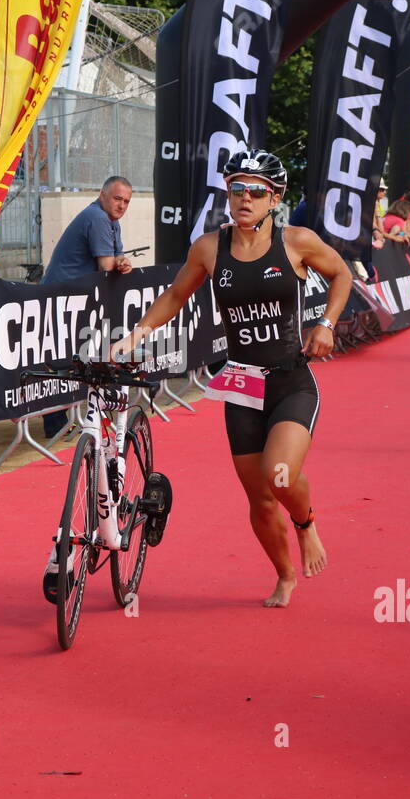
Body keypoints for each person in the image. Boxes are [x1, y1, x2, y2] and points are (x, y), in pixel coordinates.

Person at [110, 149, 353, 610]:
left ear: (274, 198)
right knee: (259, 499)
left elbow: (341, 273)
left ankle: (306, 524)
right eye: (236, 188)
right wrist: (135, 335)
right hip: (242, 383)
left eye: (255, 191)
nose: (244, 198)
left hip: (290, 380)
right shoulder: (208, 247)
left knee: (279, 475)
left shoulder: (297, 240)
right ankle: (284, 575)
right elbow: (177, 294)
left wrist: (326, 323)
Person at [41, 177, 135, 439]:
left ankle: (63, 420)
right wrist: (119, 263)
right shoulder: (97, 218)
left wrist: (122, 263)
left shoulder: (110, 221)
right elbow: (107, 266)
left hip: (72, 298)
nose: (122, 205)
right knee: (61, 360)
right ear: (103, 195)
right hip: (60, 298)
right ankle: (56, 423)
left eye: (126, 201)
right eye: (118, 198)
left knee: (70, 357)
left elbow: (116, 261)